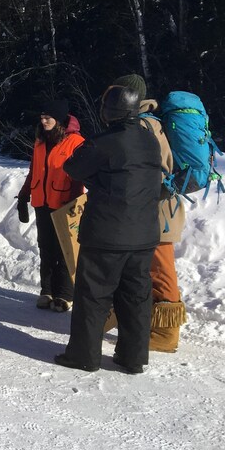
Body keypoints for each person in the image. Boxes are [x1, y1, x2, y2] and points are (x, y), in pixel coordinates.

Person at [55, 85, 163, 373]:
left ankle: (83, 355)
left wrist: (98, 177)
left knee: (94, 295)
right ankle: (133, 357)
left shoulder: (104, 142)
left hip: (107, 233)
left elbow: (73, 168)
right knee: (136, 296)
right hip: (144, 234)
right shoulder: (149, 139)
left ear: (108, 111)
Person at [114, 74, 188, 352]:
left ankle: (167, 335)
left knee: (161, 269)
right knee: (148, 268)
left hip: (157, 209)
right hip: (153, 206)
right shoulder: (148, 121)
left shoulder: (145, 124)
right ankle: (148, 323)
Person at [17, 99, 85, 312]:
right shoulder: (40, 141)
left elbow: (79, 176)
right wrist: (23, 195)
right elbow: (34, 171)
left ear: (60, 119)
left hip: (64, 203)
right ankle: (46, 290)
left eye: (48, 117)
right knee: (46, 248)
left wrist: (73, 202)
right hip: (42, 202)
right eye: (42, 117)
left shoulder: (76, 142)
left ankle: (65, 294)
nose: (43, 120)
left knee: (64, 249)